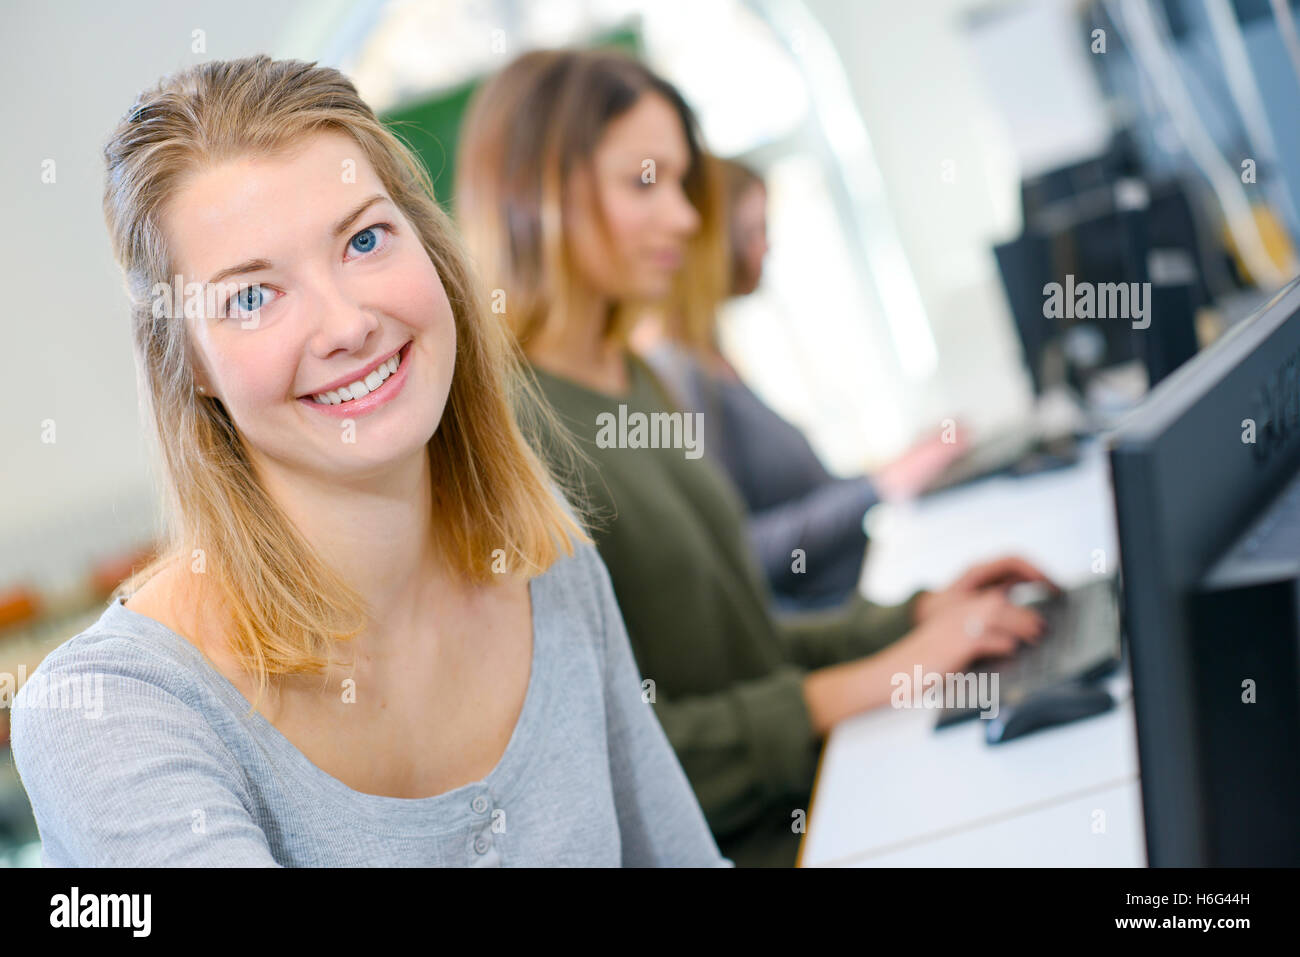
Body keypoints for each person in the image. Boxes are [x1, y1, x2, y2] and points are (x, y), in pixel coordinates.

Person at [10, 55, 725, 867]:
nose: (346, 324)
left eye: (364, 239)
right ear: (192, 365)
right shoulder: (113, 710)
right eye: (251, 295)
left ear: (432, 249)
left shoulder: (553, 571)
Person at [455, 47, 1053, 867]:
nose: (686, 218)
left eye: (680, 183)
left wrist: (910, 619)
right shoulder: (509, 442)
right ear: (540, 197)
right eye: (644, 182)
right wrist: (882, 677)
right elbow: (612, 752)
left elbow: (742, 643)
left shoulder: (635, 376)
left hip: (817, 798)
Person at [634, 157, 966, 611]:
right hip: (832, 618)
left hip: (863, 588)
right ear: (710, 245)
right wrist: (880, 486)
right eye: (753, 231)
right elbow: (740, 553)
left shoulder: (711, 357)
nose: (766, 247)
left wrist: (897, 469)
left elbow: (809, 497)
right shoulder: (680, 376)